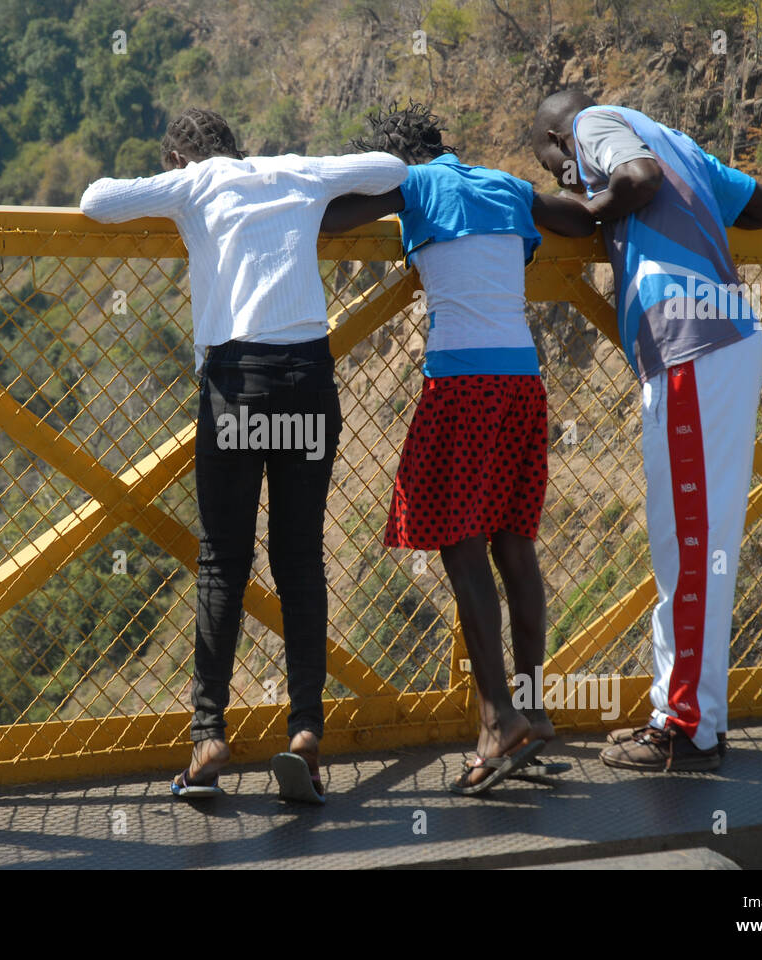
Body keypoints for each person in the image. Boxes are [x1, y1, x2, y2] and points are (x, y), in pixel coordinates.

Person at [79, 107, 408, 802]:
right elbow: (393, 169)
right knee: (302, 558)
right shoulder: (295, 170)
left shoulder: (194, 184)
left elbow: (96, 201)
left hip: (239, 391)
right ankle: (306, 735)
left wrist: (180, 190)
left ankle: (207, 739)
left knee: (224, 561)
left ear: (178, 160)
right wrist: (316, 188)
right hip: (310, 385)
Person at [321, 102, 595, 793]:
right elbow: (580, 217)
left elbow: (327, 219)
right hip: (522, 383)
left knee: (461, 546)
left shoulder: (410, 186)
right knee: (513, 542)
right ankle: (532, 707)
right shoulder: (505, 187)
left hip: (461, 384)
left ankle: (498, 718)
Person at [530, 90, 762, 771]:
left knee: (692, 546)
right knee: (696, 540)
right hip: (723, 337)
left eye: (552, 159)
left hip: (690, 350)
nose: (561, 171)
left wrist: (590, 209)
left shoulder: (593, 125)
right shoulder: (678, 139)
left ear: (560, 136)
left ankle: (685, 727)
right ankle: (694, 716)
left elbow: (635, 180)